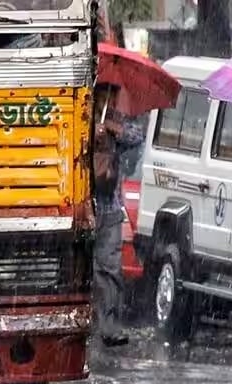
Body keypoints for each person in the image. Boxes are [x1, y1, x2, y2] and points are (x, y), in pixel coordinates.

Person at [91, 83, 142, 348]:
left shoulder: (116, 121)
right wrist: (91, 132)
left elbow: (136, 136)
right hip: (85, 208)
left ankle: (108, 326)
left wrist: (113, 129)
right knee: (85, 270)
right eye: (105, 95)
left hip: (110, 208)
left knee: (109, 269)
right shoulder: (80, 116)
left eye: (113, 96)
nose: (109, 101)